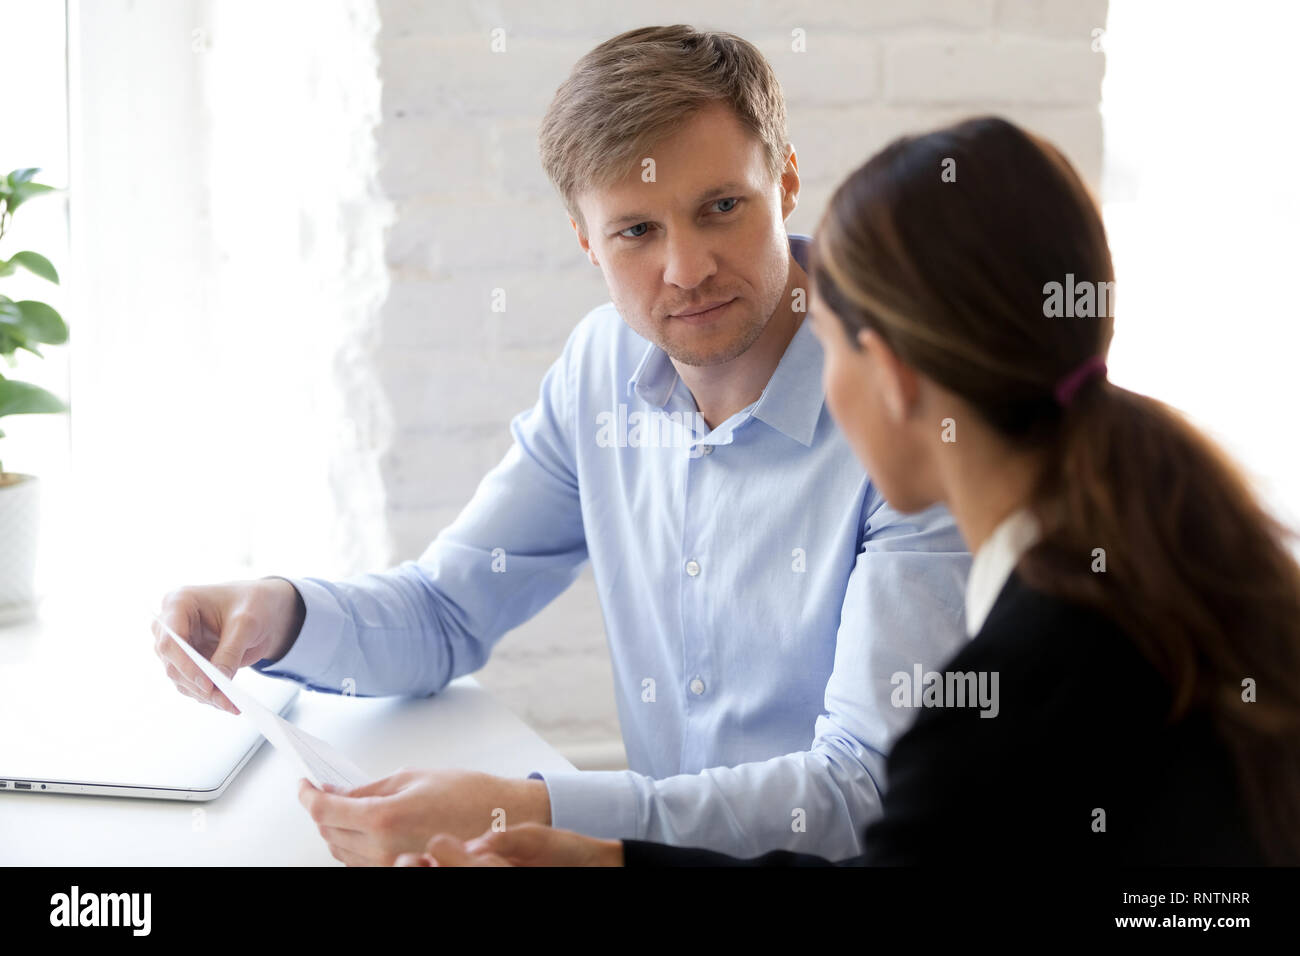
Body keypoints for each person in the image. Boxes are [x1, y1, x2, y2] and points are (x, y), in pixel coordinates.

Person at [151, 25, 971, 865]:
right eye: (636, 232)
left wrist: (526, 809)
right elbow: (448, 609)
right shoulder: (600, 368)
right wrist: (279, 615)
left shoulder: (906, 411)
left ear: (786, 179)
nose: (686, 269)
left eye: (720, 208)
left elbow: (860, 794)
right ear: (585, 240)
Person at [399, 116, 1300, 867]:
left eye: (824, 339)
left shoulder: (1000, 703)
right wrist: (609, 855)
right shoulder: (1194, 582)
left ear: (897, 381)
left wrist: (579, 835)